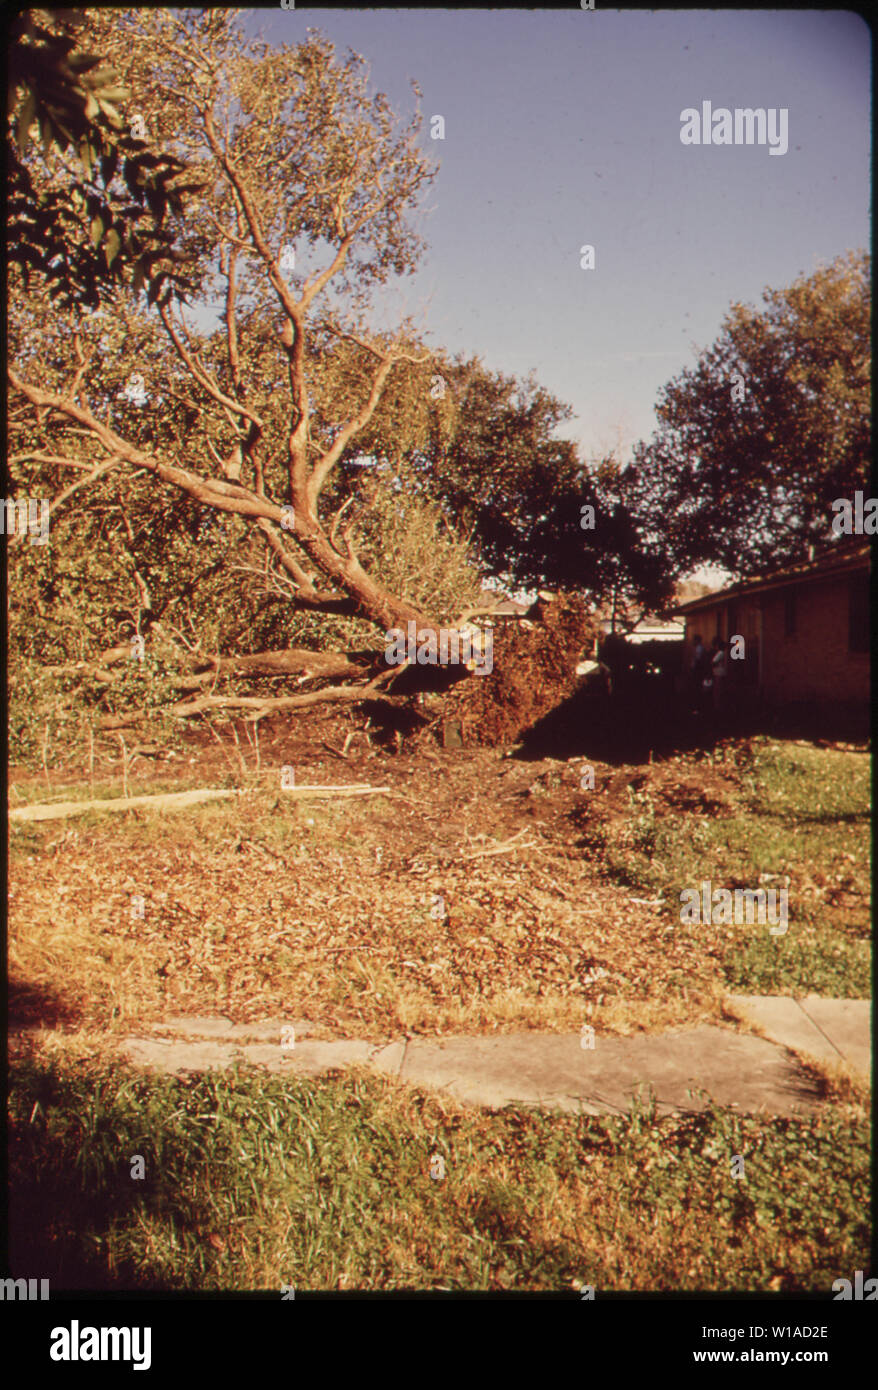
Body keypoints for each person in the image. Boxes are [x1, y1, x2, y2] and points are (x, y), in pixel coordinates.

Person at [710, 635, 728, 714]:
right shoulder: (724, 653)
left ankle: (718, 708)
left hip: (719, 673)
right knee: (720, 691)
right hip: (721, 673)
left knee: (718, 692)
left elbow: (713, 662)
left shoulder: (720, 653)